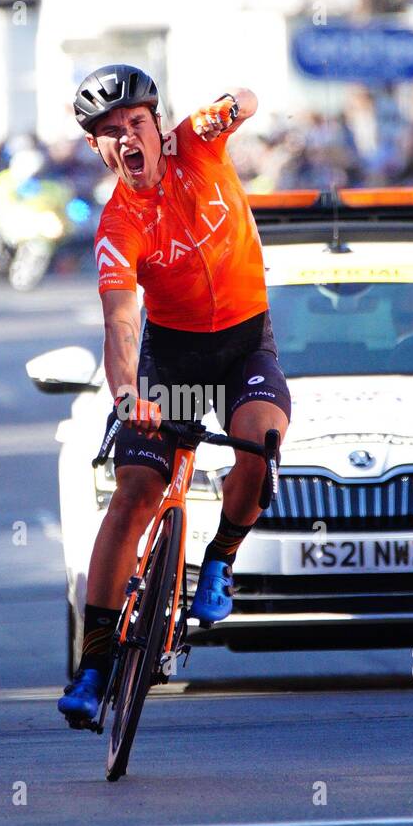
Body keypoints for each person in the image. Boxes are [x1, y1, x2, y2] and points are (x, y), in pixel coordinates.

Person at [57, 64, 291, 723]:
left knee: (260, 441)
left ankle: (219, 558)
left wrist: (230, 104)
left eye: (134, 122)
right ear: (98, 149)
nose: (125, 139)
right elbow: (120, 322)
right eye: (108, 132)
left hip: (246, 344)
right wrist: (131, 394)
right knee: (135, 490)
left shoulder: (199, 144)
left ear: (158, 124)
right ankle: (95, 663)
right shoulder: (117, 225)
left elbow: (249, 98)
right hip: (175, 359)